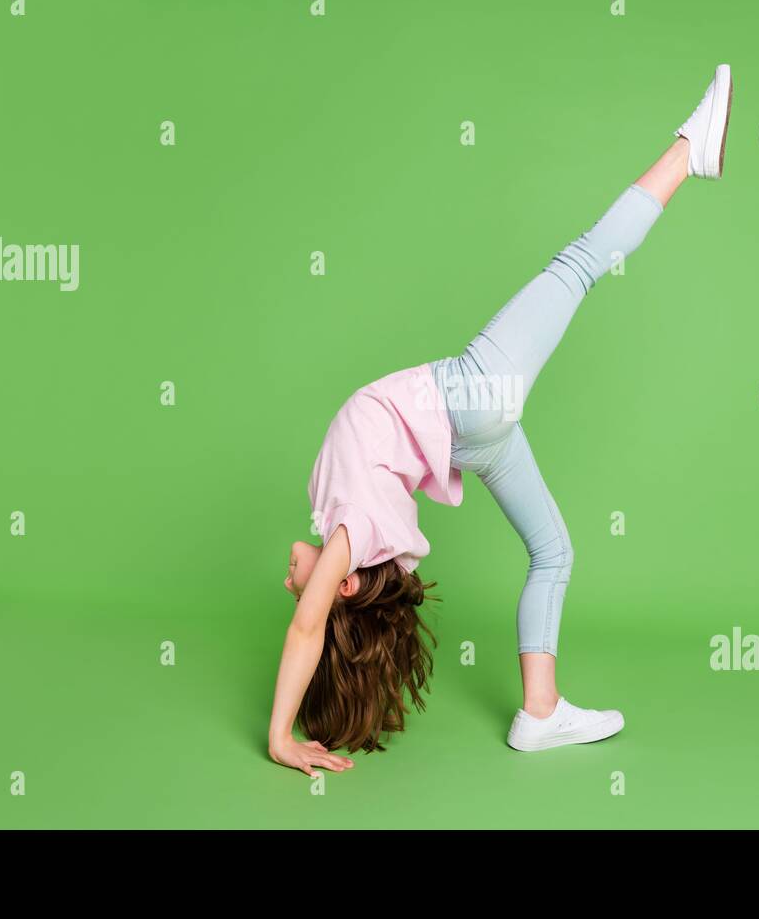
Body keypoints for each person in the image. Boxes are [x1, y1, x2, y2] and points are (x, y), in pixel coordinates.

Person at [269, 65, 734, 777]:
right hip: (469, 398)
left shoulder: (351, 526)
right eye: (309, 589)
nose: (291, 583)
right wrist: (280, 736)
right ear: (345, 588)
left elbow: (314, 617)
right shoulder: (351, 535)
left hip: (470, 438)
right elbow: (307, 630)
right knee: (579, 264)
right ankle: (688, 151)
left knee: (553, 552)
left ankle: (539, 713)